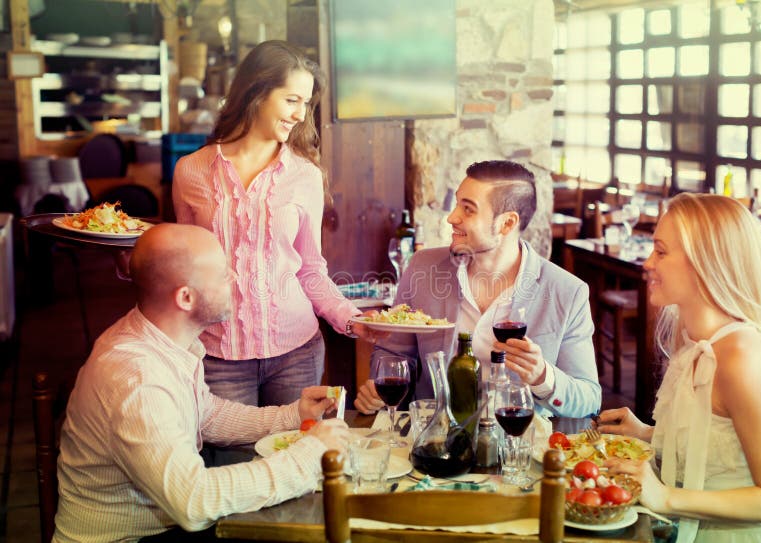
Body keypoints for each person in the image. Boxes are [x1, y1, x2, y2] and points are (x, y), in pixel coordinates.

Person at [54, 224, 350, 542]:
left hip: (166, 527)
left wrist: (292, 416)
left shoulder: (163, 337)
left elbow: (206, 415)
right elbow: (195, 500)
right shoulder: (138, 379)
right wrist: (308, 456)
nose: (235, 278)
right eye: (223, 274)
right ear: (185, 297)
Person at [172, 40, 377, 409]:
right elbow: (182, 269)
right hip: (219, 356)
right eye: (291, 100)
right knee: (233, 463)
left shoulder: (305, 176)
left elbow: (310, 270)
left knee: (295, 458)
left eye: (306, 103)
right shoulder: (191, 171)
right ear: (257, 92)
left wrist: (352, 320)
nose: (301, 114)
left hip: (296, 355)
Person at [596, 193, 761, 542]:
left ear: (706, 262)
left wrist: (665, 496)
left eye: (660, 251)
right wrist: (647, 434)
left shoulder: (742, 355)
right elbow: (717, 442)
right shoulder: (688, 336)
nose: (647, 262)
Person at [354, 160, 600, 418]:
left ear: (506, 224)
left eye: (468, 209)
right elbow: (393, 352)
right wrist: (380, 385)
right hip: (436, 440)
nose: (452, 217)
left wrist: (542, 375)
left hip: (516, 442)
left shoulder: (568, 292)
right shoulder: (422, 267)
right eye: (457, 203)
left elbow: (589, 399)